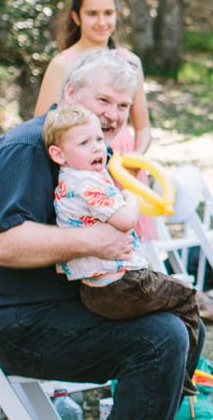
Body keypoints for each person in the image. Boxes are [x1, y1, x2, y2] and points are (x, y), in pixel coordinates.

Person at [0, 49, 197, 420]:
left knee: (178, 317)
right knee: (161, 338)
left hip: (66, 300)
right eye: (104, 100)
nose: (113, 115)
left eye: (123, 107)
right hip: (18, 320)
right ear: (70, 93)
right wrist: (93, 239)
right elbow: (1, 246)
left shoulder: (86, 151)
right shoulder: (26, 149)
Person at [43, 103, 202, 386]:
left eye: (99, 140)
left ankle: (172, 375)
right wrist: (130, 195)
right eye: (84, 142)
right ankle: (180, 379)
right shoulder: (88, 183)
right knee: (187, 298)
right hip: (123, 287)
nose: (96, 148)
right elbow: (126, 219)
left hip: (95, 289)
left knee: (168, 304)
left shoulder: (67, 180)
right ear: (58, 154)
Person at [34, 0, 151, 155]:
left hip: (122, 161)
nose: (102, 22)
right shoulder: (62, 64)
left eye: (108, 13)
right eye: (92, 14)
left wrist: (137, 157)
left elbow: (143, 128)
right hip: (79, 161)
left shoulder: (131, 63)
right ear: (76, 17)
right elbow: (41, 126)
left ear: (116, 15)